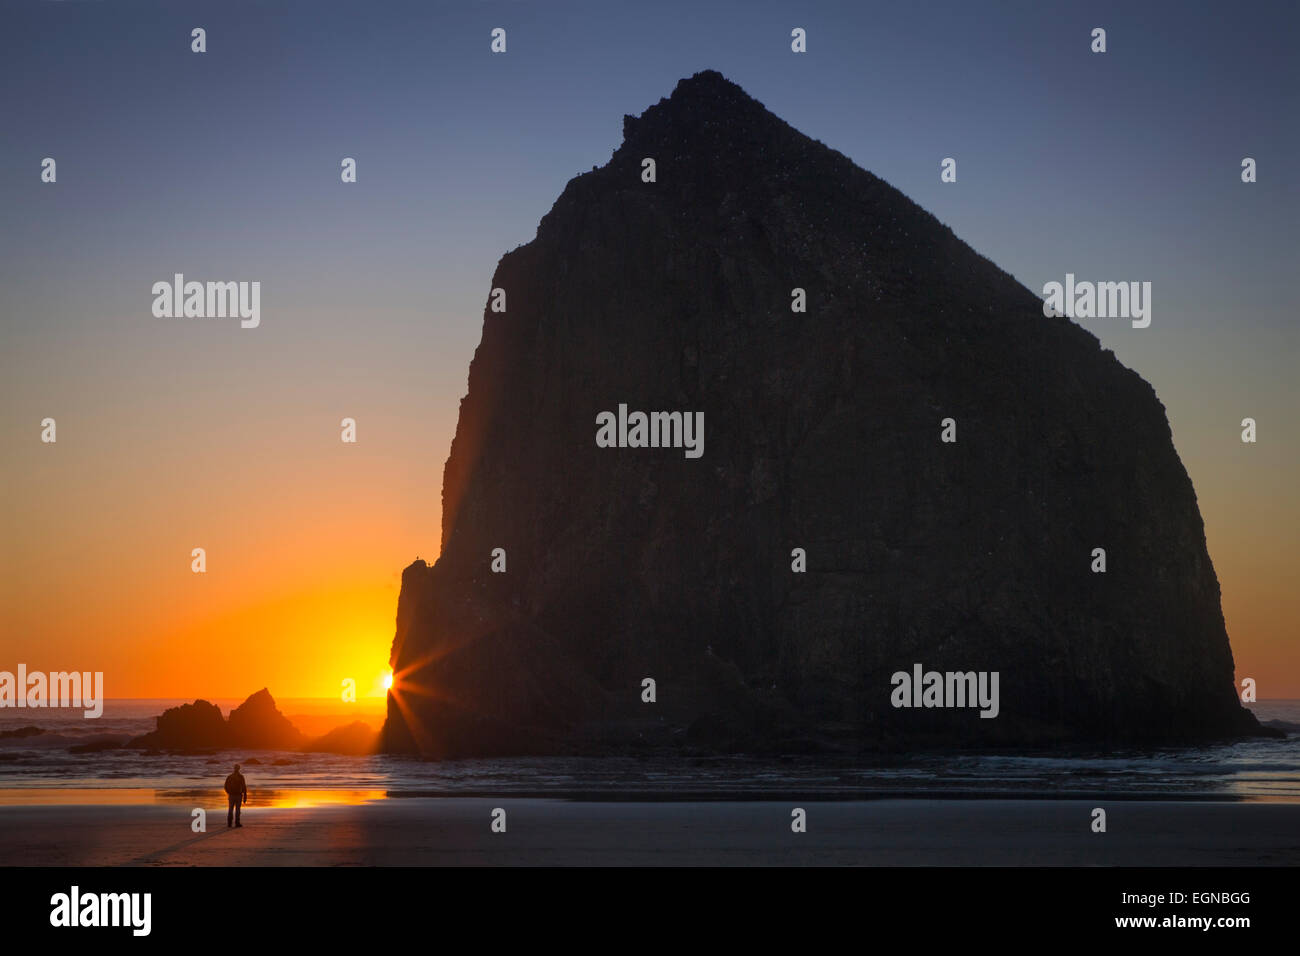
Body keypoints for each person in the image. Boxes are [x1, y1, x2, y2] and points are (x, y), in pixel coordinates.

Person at [224, 763, 248, 828]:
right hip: (238, 795)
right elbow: (244, 787)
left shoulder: (230, 776)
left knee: (230, 809)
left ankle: (229, 823)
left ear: (234, 768)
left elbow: (225, 786)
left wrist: (228, 792)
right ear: (239, 769)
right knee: (237, 810)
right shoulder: (241, 777)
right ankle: (237, 823)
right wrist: (245, 796)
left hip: (232, 795)